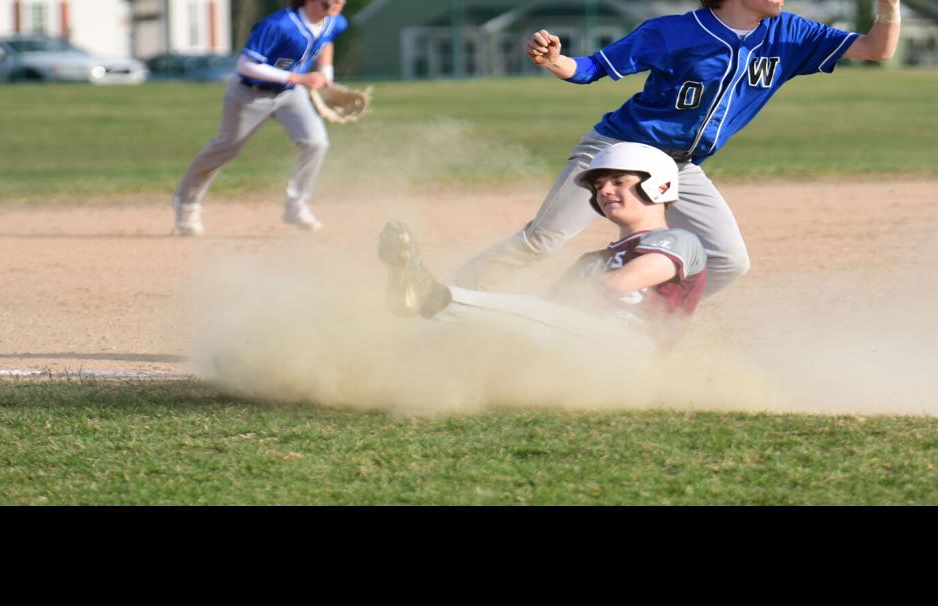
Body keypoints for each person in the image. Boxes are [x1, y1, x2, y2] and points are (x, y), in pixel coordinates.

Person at [450, 0, 900, 298]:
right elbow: (588, 70)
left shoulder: (791, 33)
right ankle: (451, 297)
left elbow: (878, 48)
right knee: (543, 239)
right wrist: (553, 61)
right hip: (618, 151)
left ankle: (638, 313)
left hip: (678, 166)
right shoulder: (674, 32)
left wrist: (888, 6)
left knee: (728, 262)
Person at [380, 143, 708, 354]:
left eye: (618, 182)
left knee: (527, 316)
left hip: (625, 350)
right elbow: (549, 310)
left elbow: (620, 283)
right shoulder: (592, 260)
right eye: (598, 186)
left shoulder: (680, 241)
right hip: (573, 345)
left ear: (660, 186)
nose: (605, 191)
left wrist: (566, 300)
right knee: (488, 339)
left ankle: (432, 296)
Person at [172, 0, 348, 236]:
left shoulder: (335, 21)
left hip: (289, 94)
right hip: (250, 94)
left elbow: (326, 42)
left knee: (316, 142)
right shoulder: (278, 25)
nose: (338, 3)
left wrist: (327, 77)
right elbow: (245, 66)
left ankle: (296, 204)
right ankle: (187, 203)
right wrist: (299, 79)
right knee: (225, 149)